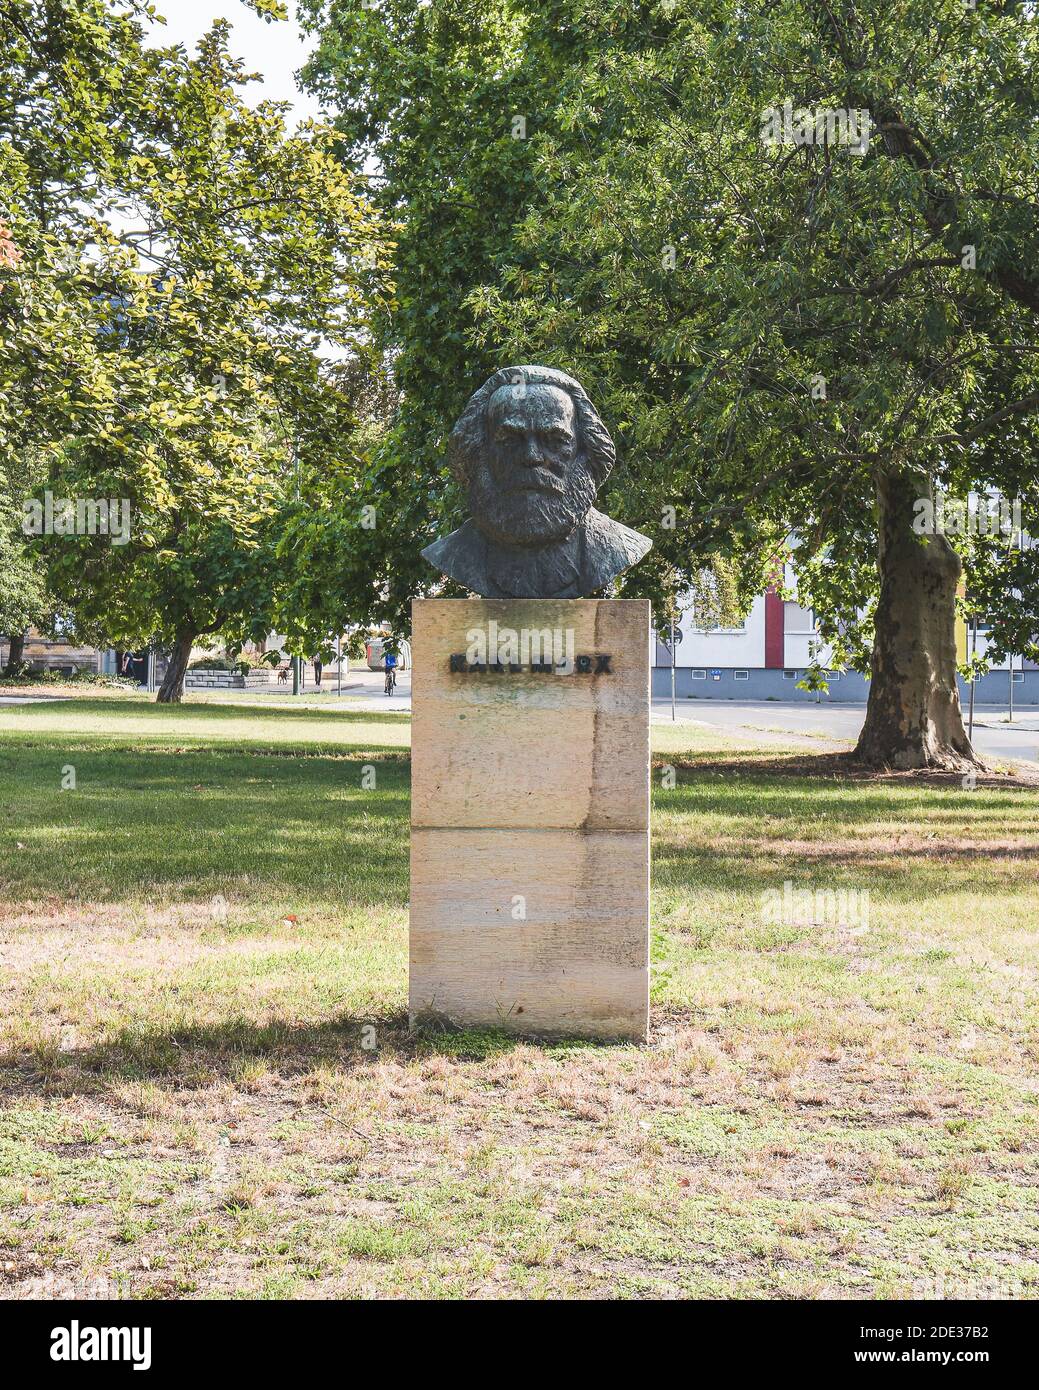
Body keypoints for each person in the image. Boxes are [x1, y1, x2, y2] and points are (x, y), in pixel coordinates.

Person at [420, 364, 651, 598]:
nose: (532, 457)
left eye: (554, 440)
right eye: (510, 440)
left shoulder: (617, 548)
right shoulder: (453, 555)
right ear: (480, 450)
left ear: (584, 451)